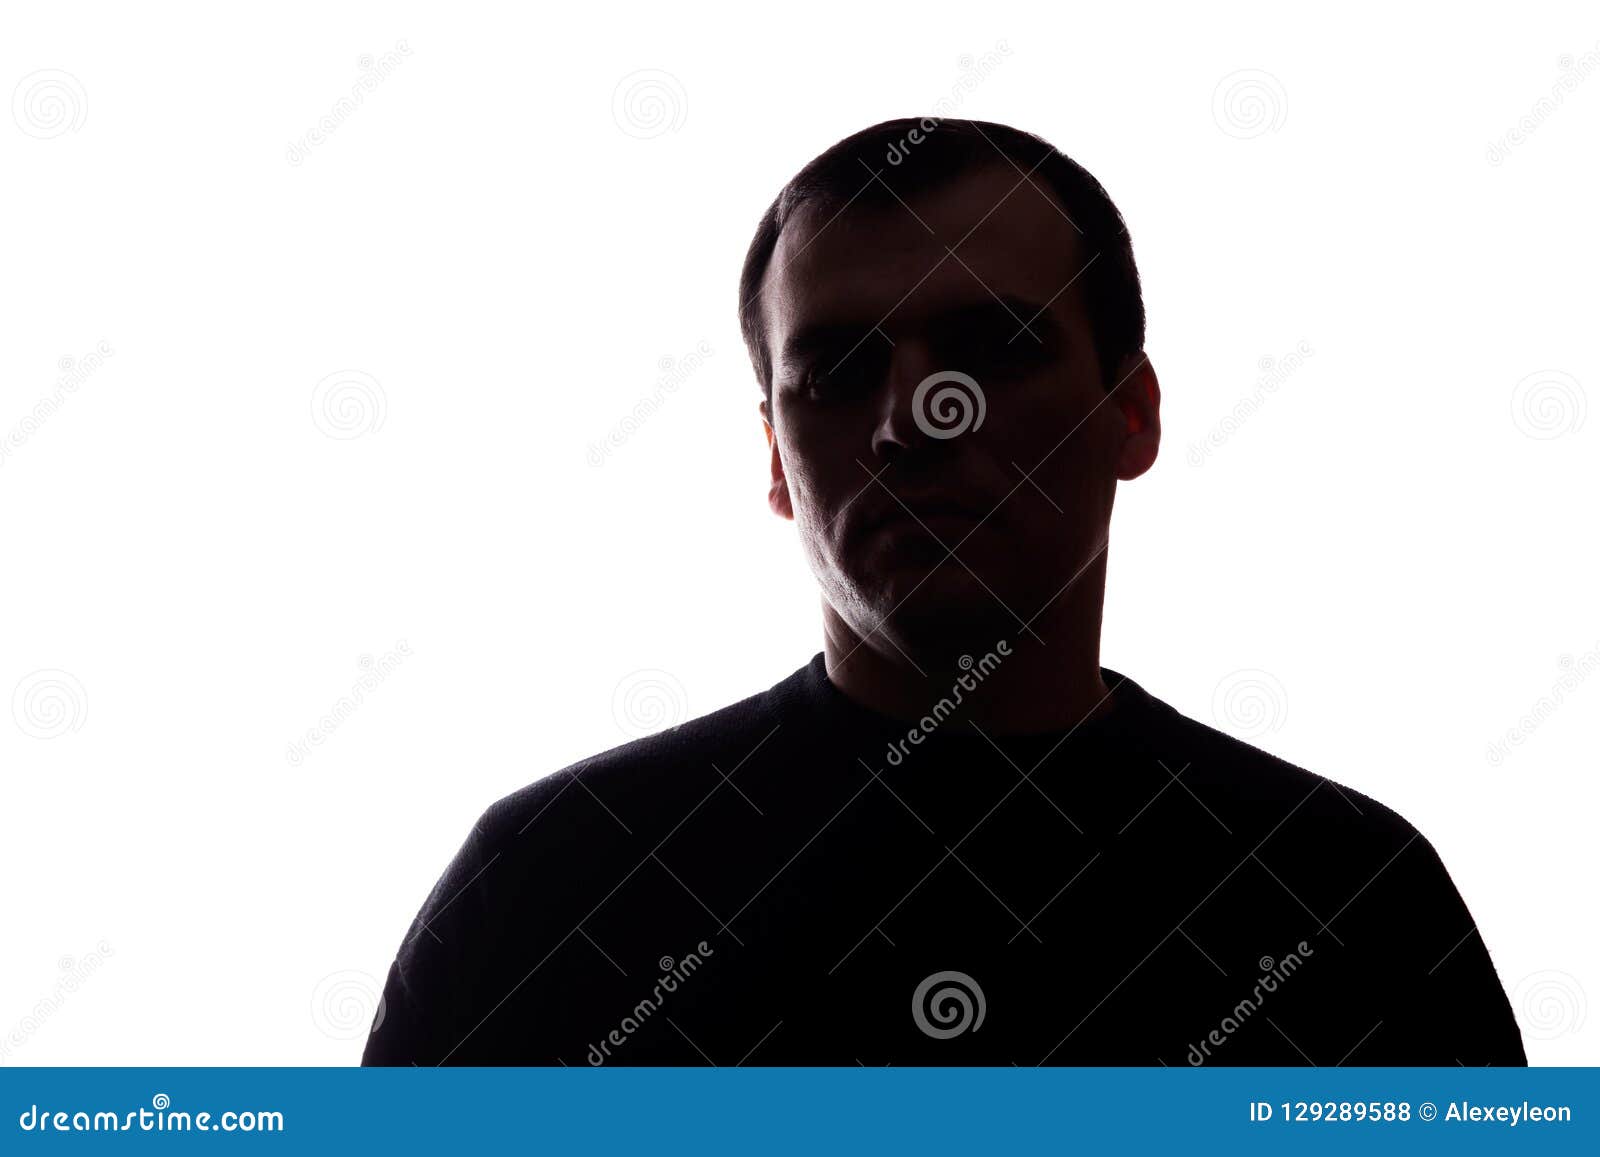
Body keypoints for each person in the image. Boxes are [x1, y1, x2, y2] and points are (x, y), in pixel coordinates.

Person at [362, 118, 1526, 1066]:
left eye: (997, 346)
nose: (916, 416)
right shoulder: (554, 888)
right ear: (775, 458)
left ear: (1132, 412)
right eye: (836, 371)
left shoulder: (1343, 898)